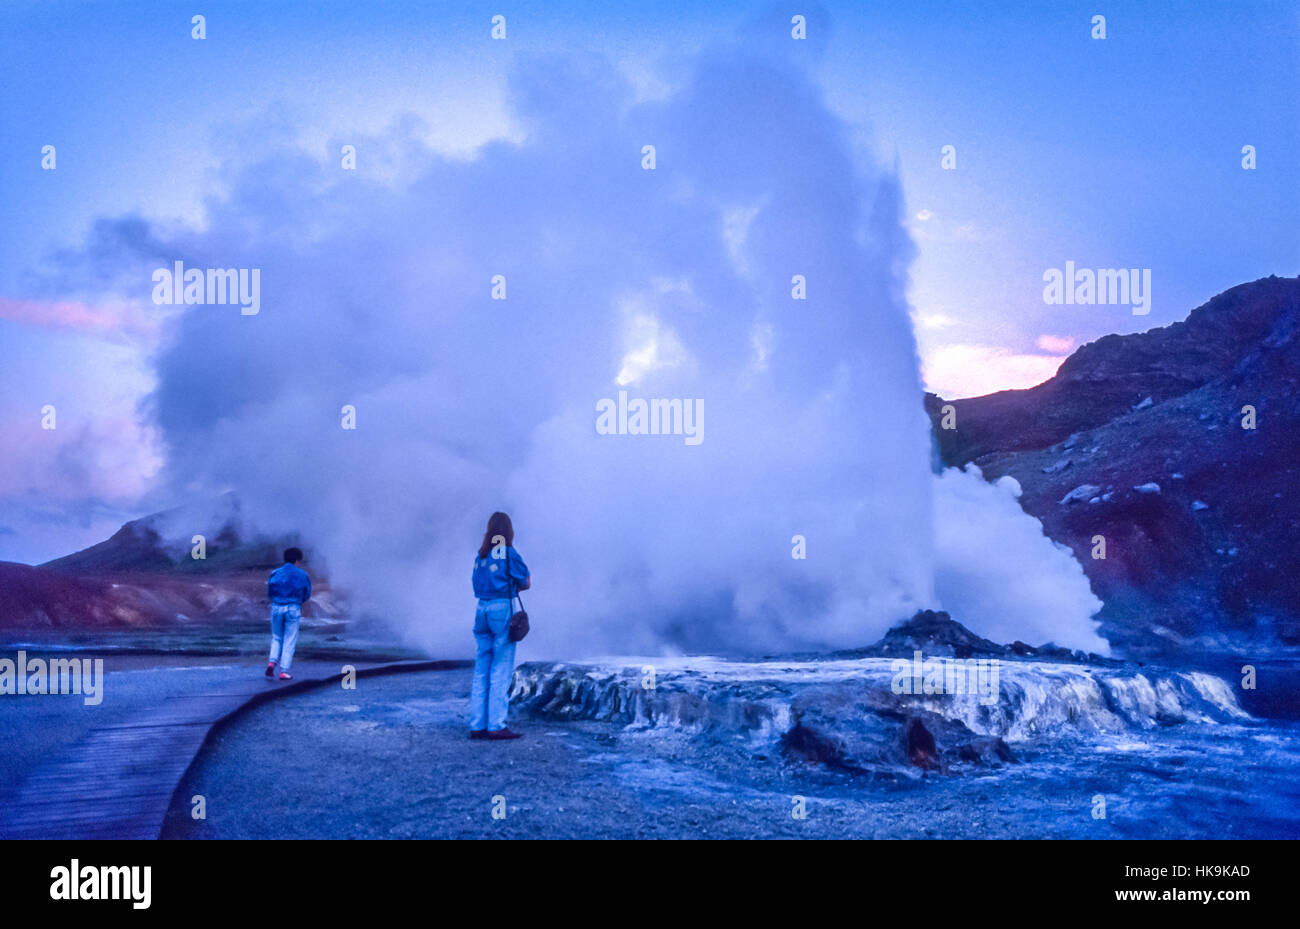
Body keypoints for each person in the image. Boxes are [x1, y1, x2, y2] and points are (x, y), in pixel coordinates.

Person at [469, 512, 530, 740]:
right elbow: (526, 583)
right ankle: (496, 725)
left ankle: (477, 725)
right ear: (508, 531)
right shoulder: (508, 553)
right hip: (501, 609)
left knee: (481, 668)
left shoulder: (481, 555)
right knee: (501, 668)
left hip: (481, 609)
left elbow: (475, 584)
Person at [266, 547, 311, 681]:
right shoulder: (303, 575)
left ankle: (272, 662)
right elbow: (306, 593)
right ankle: (284, 671)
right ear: (297, 560)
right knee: (289, 639)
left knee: (276, 637)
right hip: (293, 607)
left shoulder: (275, 573)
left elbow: (270, 592)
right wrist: (298, 602)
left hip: (276, 607)